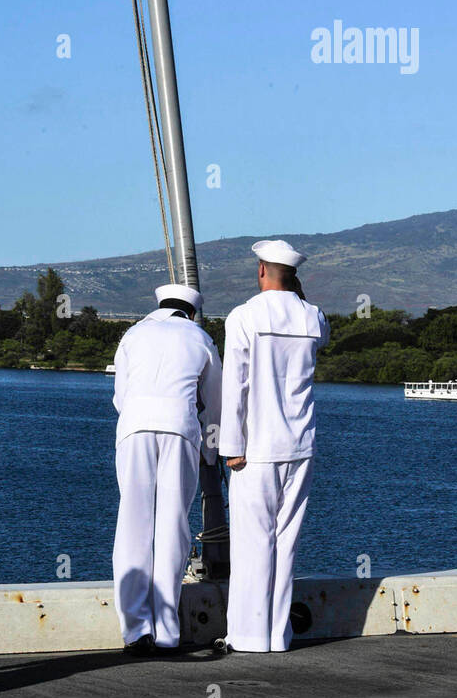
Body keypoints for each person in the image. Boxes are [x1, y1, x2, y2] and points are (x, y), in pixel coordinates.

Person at [218, 239, 329, 653]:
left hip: (257, 448)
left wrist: (231, 443)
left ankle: (248, 635)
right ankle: (277, 635)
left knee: (252, 542)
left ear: (261, 270)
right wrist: (298, 297)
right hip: (300, 445)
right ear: (293, 275)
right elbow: (323, 334)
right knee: (286, 542)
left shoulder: (244, 316)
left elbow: (236, 385)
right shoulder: (312, 317)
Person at [112, 282, 222, 655]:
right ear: (191, 312)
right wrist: (212, 452)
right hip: (180, 428)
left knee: (133, 522)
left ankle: (135, 631)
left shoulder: (133, 334)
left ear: (158, 305)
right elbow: (215, 403)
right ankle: (167, 632)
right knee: (173, 524)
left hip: (135, 426)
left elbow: (120, 396)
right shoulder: (201, 337)